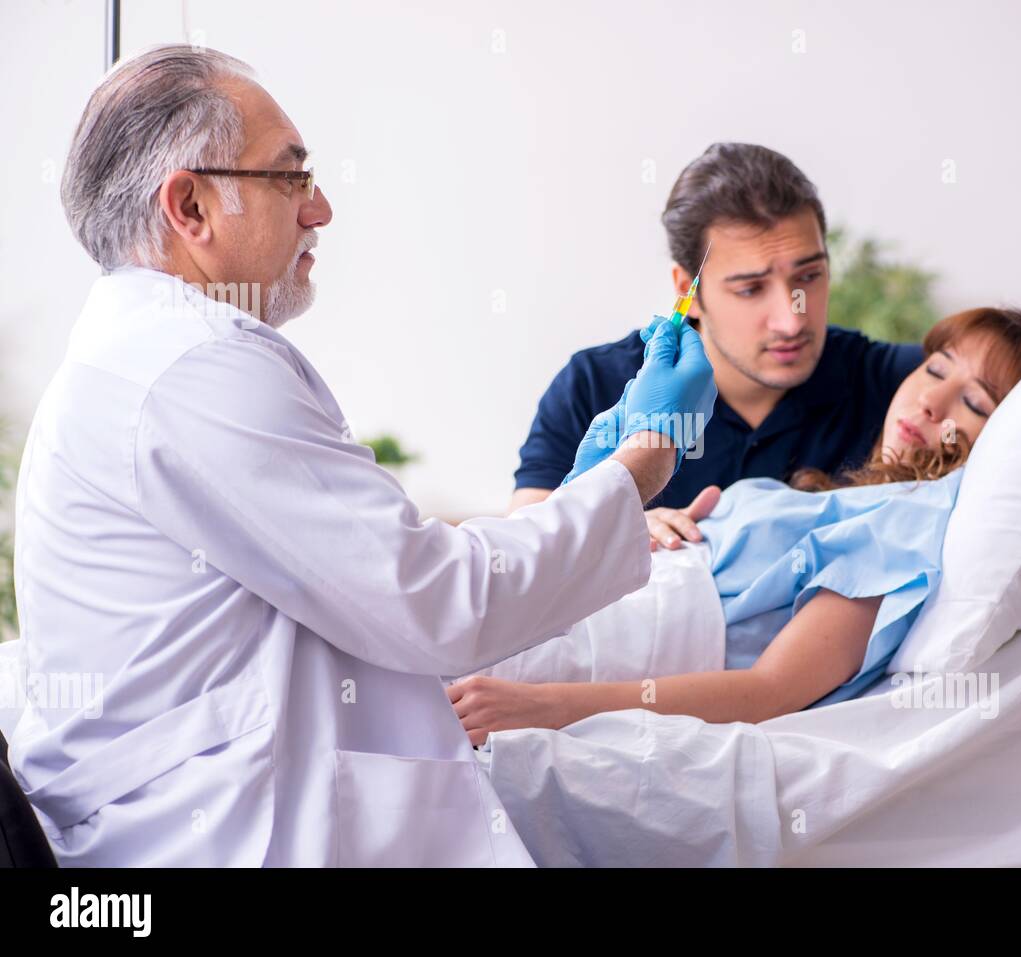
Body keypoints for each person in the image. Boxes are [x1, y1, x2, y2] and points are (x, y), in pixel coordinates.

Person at [8, 45, 714, 867]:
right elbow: (437, 599)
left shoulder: (137, 355)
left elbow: (377, 566)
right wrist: (641, 466)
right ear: (191, 206)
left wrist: (595, 485)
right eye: (291, 177)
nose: (322, 210)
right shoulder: (192, 366)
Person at [450, 307, 1021, 743]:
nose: (929, 402)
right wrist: (641, 522)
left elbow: (770, 689)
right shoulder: (842, 495)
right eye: (936, 368)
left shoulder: (916, 522)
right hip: (591, 590)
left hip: (601, 647)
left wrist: (539, 710)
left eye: (976, 405)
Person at [509, 142, 1021, 549]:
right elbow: (520, 552)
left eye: (809, 277)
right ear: (685, 290)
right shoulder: (597, 384)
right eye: (752, 288)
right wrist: (622, 515)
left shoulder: (888, 381)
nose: (792, 319)